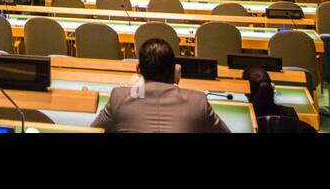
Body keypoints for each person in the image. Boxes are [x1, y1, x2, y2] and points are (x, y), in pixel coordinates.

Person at [91, 38, 230, 133]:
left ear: (138, 68)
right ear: (176, 70)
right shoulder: (198, 101)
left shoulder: (118, 98)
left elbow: (94, 130)